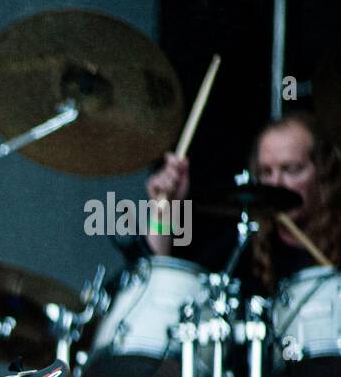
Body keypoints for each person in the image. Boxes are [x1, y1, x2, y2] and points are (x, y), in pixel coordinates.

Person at [145, 112, 341, 295]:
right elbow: (153, 287)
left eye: (291, 169)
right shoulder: (243, 248)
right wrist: (163, 211)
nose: (276, 183)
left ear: (323, 173)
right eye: (266, 172)